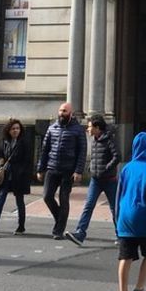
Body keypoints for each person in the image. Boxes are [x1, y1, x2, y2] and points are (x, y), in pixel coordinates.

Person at [115, 131, 146, 291]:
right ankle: (140, 288)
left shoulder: (125, 168)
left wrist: (117, 220)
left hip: (124, 216)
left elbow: (118, 195)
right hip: (142, 216)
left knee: (125, 256)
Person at [65, 114, 121, 246]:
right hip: (96, 180)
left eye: (89, 127)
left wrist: (106, 168)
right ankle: (80, 233)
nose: (87, 129)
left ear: (97, 127)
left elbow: (117, 156)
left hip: (109, 179)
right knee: (88, 206)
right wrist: (91, 166)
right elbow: (97, 156)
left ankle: (121, 234)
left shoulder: (109, 139)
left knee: (115, 208)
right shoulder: (95, 139)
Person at [35, 102, 87, 239]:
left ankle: (58, 230)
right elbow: (44, 150)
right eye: (60, 111)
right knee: (47, 196)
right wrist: (41, 168)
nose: (61, 113)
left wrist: (78, 171)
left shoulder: (78, 130)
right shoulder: (52, 128)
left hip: (68, 170)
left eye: (64, 111)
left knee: (64, 199)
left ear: (71, 113)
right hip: (52, 168)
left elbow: (82, 152)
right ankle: (60, 220)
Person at [0, 118, 32, 235]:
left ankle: (21, 227)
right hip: (6, 174)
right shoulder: (5, 141)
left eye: (17, 128)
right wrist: (1, 162)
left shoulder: (24, 142)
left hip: (18, 176)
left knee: (20, 201)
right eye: (13, 129)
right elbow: (0, 155)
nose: (15, 131)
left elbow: (28, 160)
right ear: (8, 130)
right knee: (0, 200)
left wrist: (22, 172)